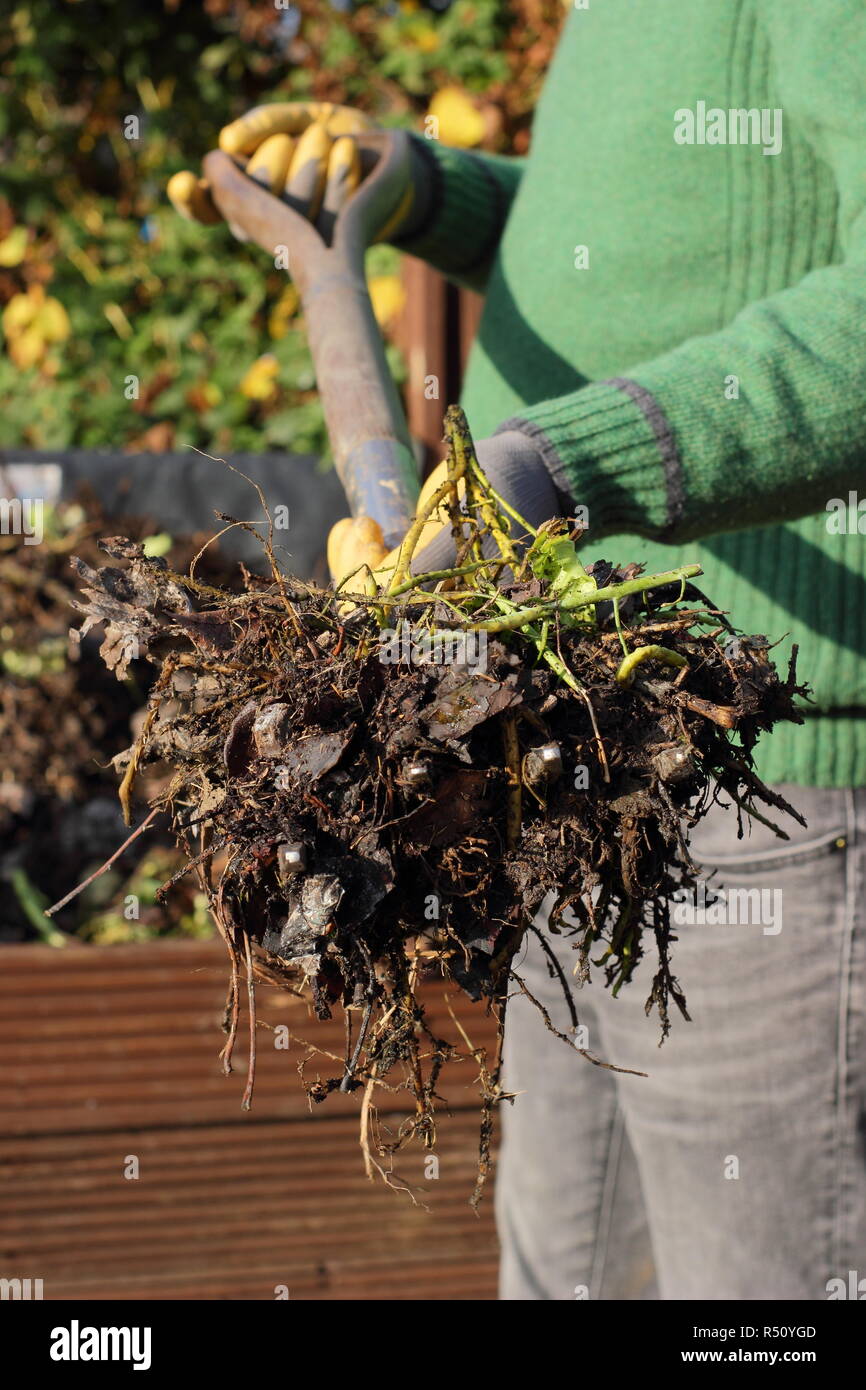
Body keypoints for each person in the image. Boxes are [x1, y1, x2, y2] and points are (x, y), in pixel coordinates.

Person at [172, 1, 866, 1300]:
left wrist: (554, 470)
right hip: (574, 759)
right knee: (558, 1272)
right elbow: (667, 233)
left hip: (763, 779)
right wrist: (427, 192)